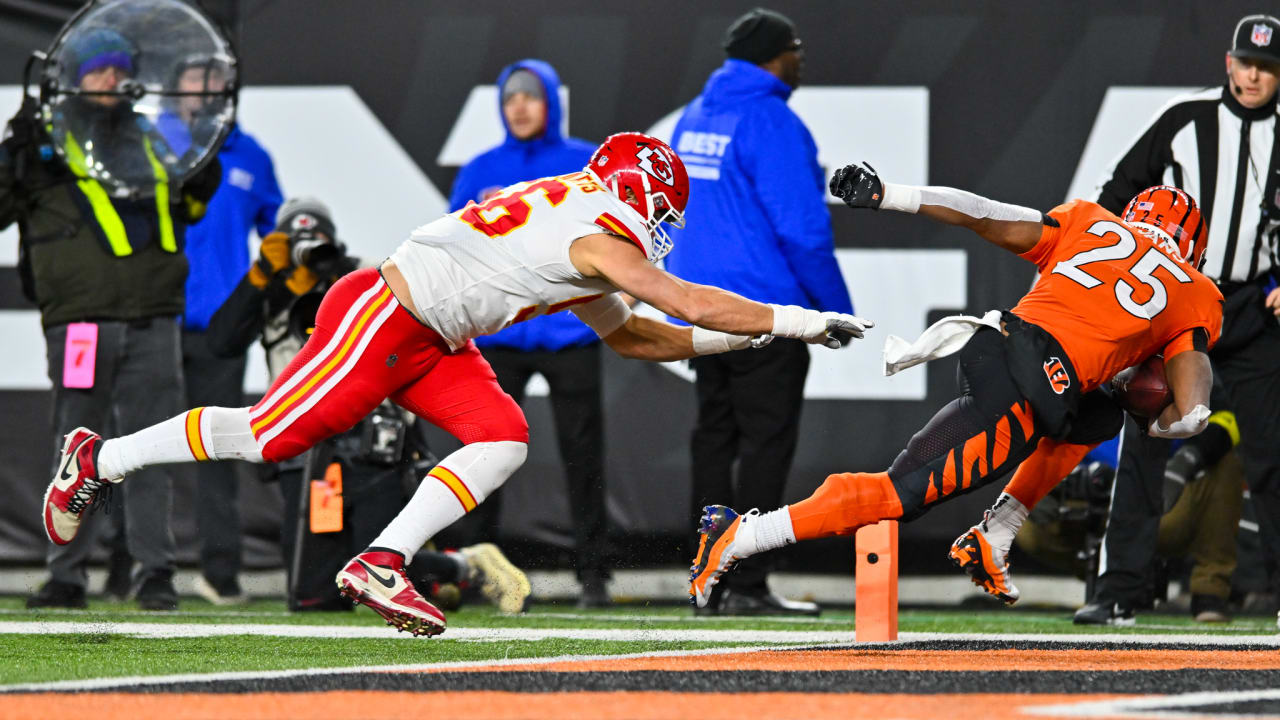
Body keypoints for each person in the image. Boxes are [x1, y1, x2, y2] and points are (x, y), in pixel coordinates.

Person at [40, 131, 872, 636]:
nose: (660, 231)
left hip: (437, 337)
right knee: (269, 436)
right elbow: (683, 300)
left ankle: (381, 560)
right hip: (385, 315)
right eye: (659, 212)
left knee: (504, 435)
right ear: (633, 193)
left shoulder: (582, 227)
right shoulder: (596, 236)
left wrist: (744, 345)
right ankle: (98, 458)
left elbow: (640, 338)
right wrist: (798, 320)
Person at [689, 164, 1223, 612]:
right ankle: (740, 536)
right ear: (1192, 249)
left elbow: (984, 213)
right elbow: (1188, 384)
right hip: (1029, 379)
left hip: (1005, 347)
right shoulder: (1195, 291)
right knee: (896, 496)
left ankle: (995, 535)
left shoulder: (1090, 221)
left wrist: (890, 195)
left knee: (1097, 410)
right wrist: (1185, 416)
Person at [206, 197, 531, 614]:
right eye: (298, 241)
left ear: (334, 240)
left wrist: (335, 271)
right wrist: (262, 277)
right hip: (306, 439)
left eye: (318, 240)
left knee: (380, 553)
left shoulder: (368, 273)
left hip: (375, 431)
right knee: (313, 595)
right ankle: (460, 565)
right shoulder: (268, 287)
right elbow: (221, 344)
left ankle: (460, 568)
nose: (311, 250)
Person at [1062, 13, 1280, 625]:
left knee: (1270, 453)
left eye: (1267, 65)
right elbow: (1116, 193)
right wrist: (1113, 272)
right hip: (1177, 304)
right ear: (1228, 62)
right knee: (1145, 444)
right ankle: (1120, 589)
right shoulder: (1185, 122)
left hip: (1251, 306)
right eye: (1246, 61)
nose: (1254, 74)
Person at [3, 28, 221, 610]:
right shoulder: (41, 142)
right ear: (73, 77)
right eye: (96, 69)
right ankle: (67, 575)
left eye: (116, 68)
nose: (108, 78)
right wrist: (16, 149)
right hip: (79, 322)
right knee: (73, 448)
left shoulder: (150, 138)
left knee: (153, 450)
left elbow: (194, 203)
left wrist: (206, 154)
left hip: (154, 319)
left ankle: (155, 574)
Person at [665, 7, 853, 616]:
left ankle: (708, 582)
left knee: (714, 441)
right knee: (765, 446)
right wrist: (834, 312)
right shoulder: (772, 120)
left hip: (701, 311)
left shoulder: (694, 117)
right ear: (774, 55)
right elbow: (802, 231)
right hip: (766, 314)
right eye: (795, 48)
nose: (802, 59)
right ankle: (745, 584)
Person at [448, 60, 611, 607]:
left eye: (530, 95)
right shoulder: (480, 170)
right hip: (501, 336)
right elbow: (455, 248)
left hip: (570, 332)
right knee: (484, 453)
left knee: (584, 456)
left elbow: (622, 232)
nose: (518, 105)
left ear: (551, 102)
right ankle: (473, 570)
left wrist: (626, 293)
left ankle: (594, 577)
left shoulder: (584, 163)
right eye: (509, 96)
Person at [154, 53, 284, 605]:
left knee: (218, 450)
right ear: (174, 86)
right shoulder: (145, 145)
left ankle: (220, 572)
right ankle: (131, 570)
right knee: (137, 448)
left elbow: (278, 235)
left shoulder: (252, 155)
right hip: (151, 322)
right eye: (193, 77)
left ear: (230, 91)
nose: (204, 89)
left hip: (222, 332)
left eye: (215, 80)